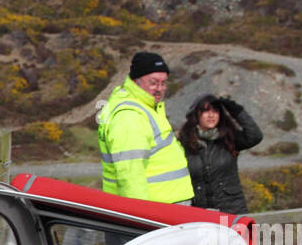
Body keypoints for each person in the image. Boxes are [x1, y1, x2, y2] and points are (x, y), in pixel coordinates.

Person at [98, 52, 194, 205]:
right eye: (154, 82)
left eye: (163, 83)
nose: (159, 89)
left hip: (166, 207)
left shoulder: (145, 107)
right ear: (136, 81)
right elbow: (131, 174)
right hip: (157, 211)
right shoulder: (130, 115)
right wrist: (140, 216)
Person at [180, 94, 263, 214]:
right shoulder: (184, 142)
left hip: (232, 210)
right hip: (200, 212)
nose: (211, 115)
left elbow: (255, 136)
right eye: (205, 111)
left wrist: (236, 110)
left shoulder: (229, 139)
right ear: (196, 114)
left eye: (215, 111)